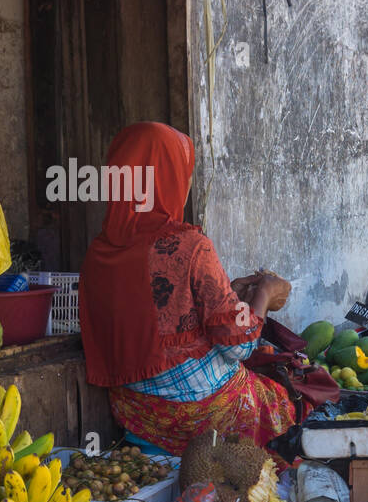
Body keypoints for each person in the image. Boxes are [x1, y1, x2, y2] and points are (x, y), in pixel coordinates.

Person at [79, 122, 295, 456]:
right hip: (197, 414)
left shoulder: (98, 255)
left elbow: (157, 314)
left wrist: (228, 292)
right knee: (280, 399)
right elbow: (239, 347)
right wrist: (265, 294)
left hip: (136, 413)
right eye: (183, 169)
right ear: (167, 177)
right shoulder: (189, 246)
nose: (189, 180)